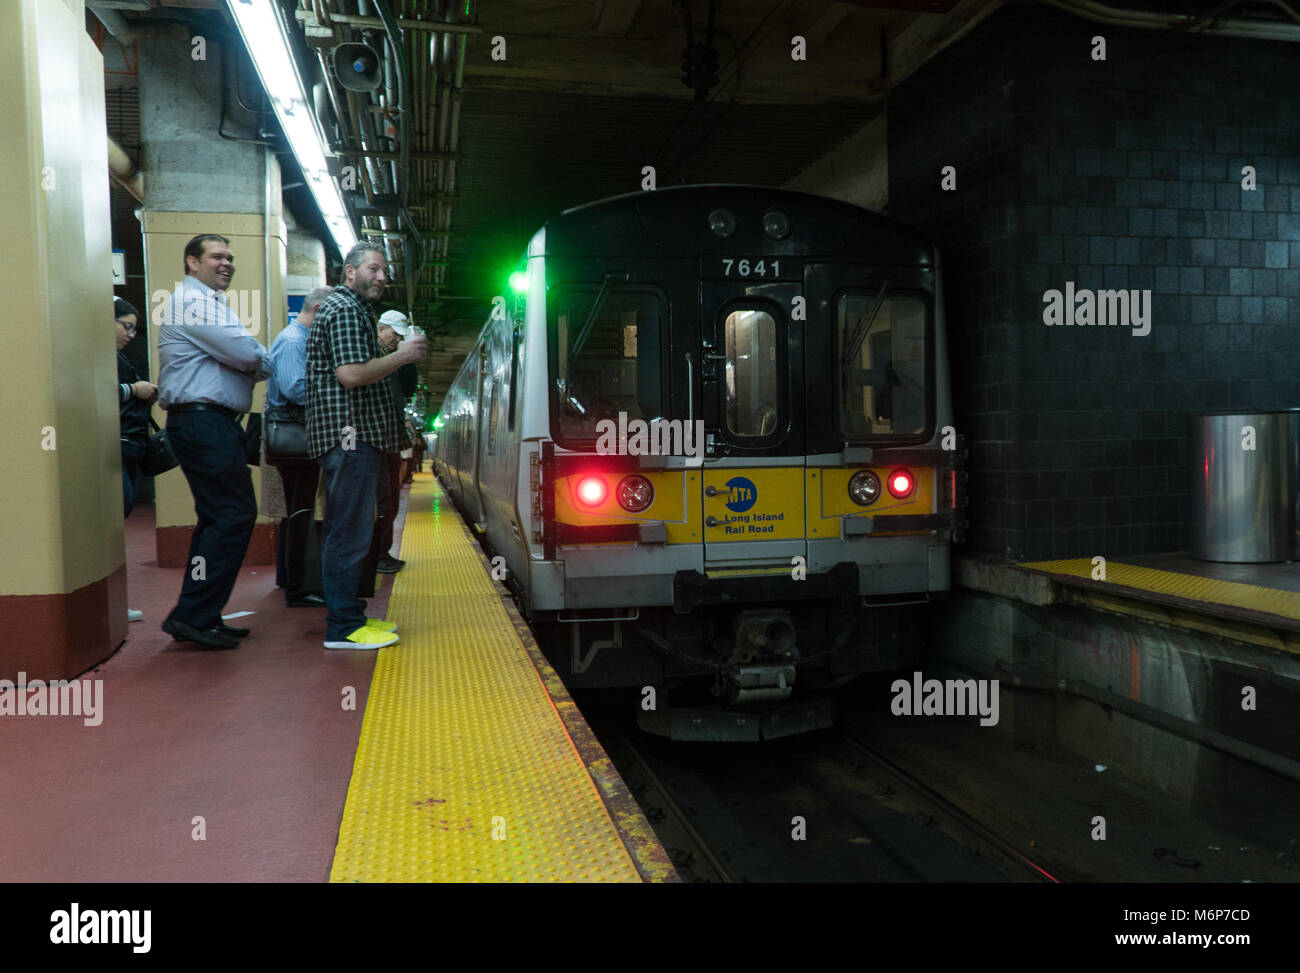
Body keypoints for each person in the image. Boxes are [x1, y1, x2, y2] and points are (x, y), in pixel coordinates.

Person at [306, 245, 426, 650]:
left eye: (384, 271)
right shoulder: (342, 309)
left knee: (354, 529)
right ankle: (342, 628)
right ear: (349, 271)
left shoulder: (356, 311)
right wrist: (403, 355)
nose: (381, 277)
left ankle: (352, 616)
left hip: (358, 438)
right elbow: (352, 374)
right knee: (348, 531)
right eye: (373, 269)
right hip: (349, 436)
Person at [156, 234, 270, 650]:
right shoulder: (193, 302)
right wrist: (255, 358)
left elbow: (244, 357)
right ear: (192, 262)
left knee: (216, 520)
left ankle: (198, 613)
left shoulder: (209, 303)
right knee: (233, 515)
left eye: (230, 257)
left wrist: (250, 359)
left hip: (209, 423)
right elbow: (246, 355)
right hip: (203, 423)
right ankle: (193, 614)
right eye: (217, 256)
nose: (227, 263)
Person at [267, 286, 334, 608]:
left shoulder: (298, 339)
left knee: (297, 509)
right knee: (301, 509)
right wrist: (335, 392)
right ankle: (298, 587)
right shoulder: (295, 341)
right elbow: (296, 389)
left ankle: (290, 579)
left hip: (296, 434)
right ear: (319, 309)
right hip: (296, 435)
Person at [367, 309, 419, 576]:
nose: (396, 340)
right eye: (394, 334)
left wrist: (407, 357)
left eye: (401, 336)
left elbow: (409, 389)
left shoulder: (393, 359)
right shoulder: (374, 354)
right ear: (381, 328)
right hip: (376, 440)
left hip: (391, 439)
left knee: (391, 499)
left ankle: (382, 552)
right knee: (382, 500)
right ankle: (376, 555)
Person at [115, 297, 156, 624]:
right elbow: (100, 392)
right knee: (116, 518)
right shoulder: (100, 360)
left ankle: (114, 600)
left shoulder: (116, 358)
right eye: (126, 326)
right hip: (117, 446)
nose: (131, 334)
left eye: (134, 328)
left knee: (121, 515)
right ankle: (111, 601)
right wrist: (134, 390)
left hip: (128, 447)